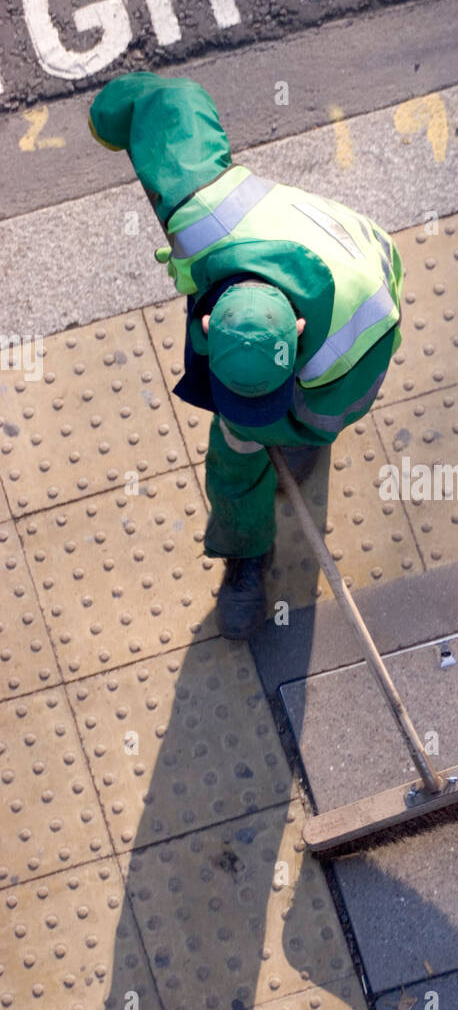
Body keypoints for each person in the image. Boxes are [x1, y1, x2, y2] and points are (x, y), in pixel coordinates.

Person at [88, 71, 403, 637]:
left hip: (362, 264)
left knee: (254, 446)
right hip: (297, 253)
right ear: (207, 322)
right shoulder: (201, 212)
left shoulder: (352, 345)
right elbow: (169, 104)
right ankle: (246, 549)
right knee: (241, 441)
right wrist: (110, 115)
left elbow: (326, 415)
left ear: (302, 333)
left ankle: (251, 544)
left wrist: (289, 431)